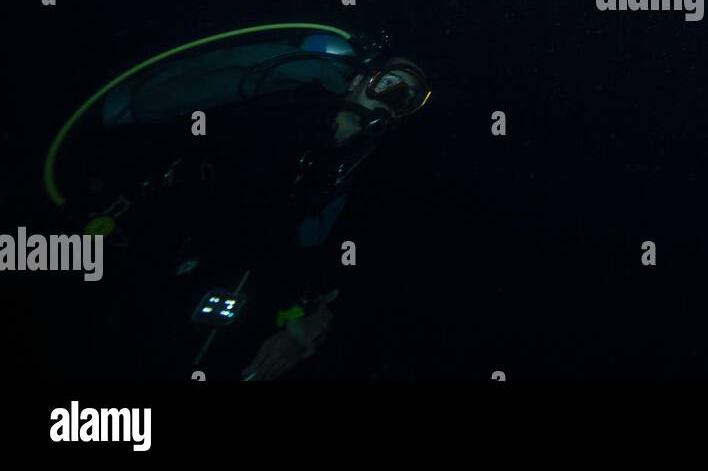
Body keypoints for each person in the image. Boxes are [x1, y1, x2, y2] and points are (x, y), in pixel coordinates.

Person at [58, 26, 430, 380]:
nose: (396, 99)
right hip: (142, 262)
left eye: (410, 97)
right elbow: (246, 215)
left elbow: (341, 260)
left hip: (216, 304)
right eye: (390, 84)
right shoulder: (280, 110)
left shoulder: (356, 171)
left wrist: (307, 318)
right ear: (356, 81)